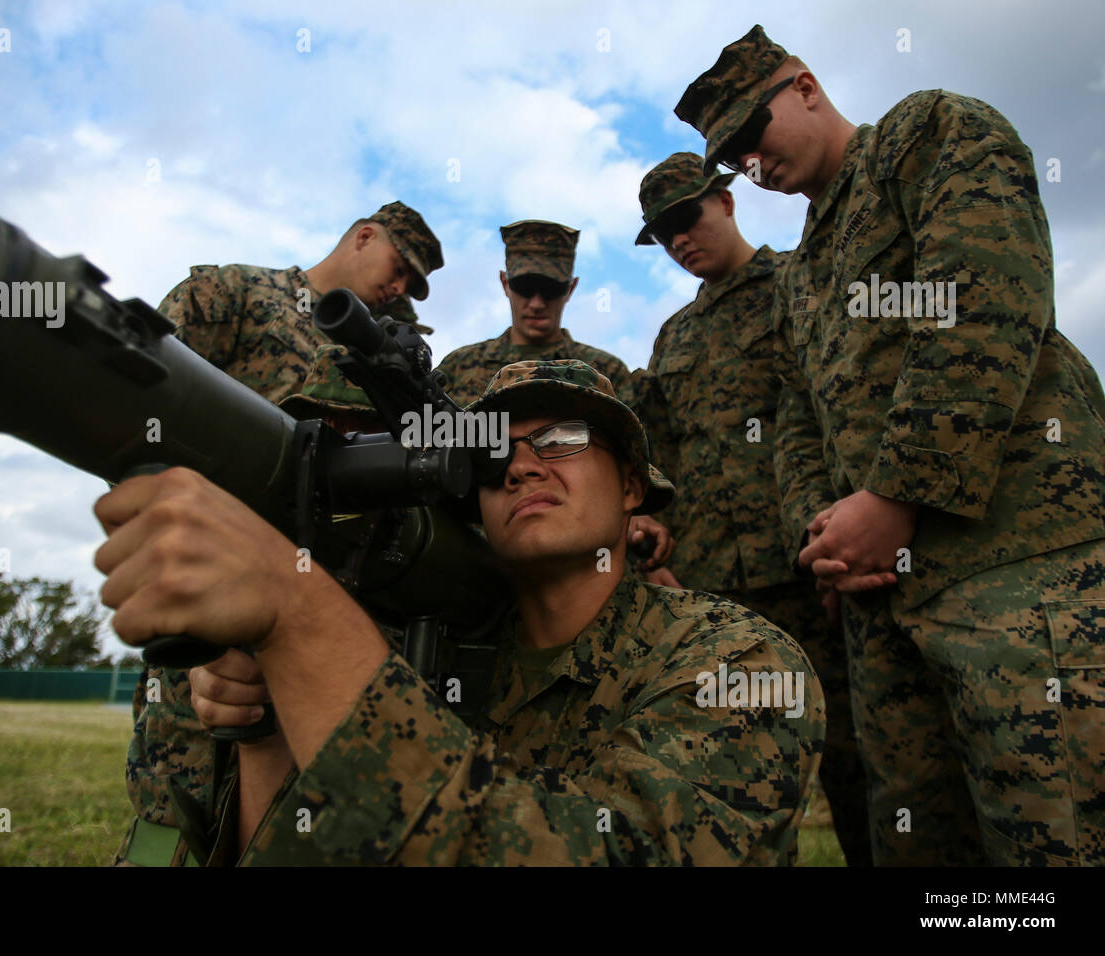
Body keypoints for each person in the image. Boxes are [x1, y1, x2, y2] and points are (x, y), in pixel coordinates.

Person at [94, 360, 826, 865]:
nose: (521, 465)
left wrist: (302, 614)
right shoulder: (429, 648)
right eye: (491, 458)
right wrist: (261, 736)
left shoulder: (737, 661)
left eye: (563, 441)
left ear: (633, 486)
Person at [676, 25, 1105, 865]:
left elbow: (985, 299)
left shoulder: (928, 134)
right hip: (884, 608)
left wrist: (896, 495)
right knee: (922, 843)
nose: (752, 164)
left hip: (1013, 573)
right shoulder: (799, 275)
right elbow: (797, 418)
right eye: (734, 156)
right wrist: (826, 537)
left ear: (804, 86)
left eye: (752, 134)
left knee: (1053, 834)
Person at [114, 202, 444, 866]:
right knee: (173, 797)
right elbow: (141, 400)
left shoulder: (383, 350)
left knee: (310, 817)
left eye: (415, 283)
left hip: (336, 608)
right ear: (362, 236)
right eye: (400, 267)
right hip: (207, 591)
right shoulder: (233, 296)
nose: (401, 287)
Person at [632, 150, 871, 865]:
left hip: (813, 576)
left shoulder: (800, 284)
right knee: (732, 776)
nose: (679, 240)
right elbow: (654, 463)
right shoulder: (672, 337)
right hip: (717, 599)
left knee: (864, 766)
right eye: (662, 233)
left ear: (727, 202)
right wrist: (655, 549)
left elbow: (843, 412)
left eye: (687, 218)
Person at [436, 221, 632, 406]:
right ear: (505, 283)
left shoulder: (609, 373)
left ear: (571, 289)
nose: (537, 304)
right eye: (525, 287)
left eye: (551, 289)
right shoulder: (457, 367)